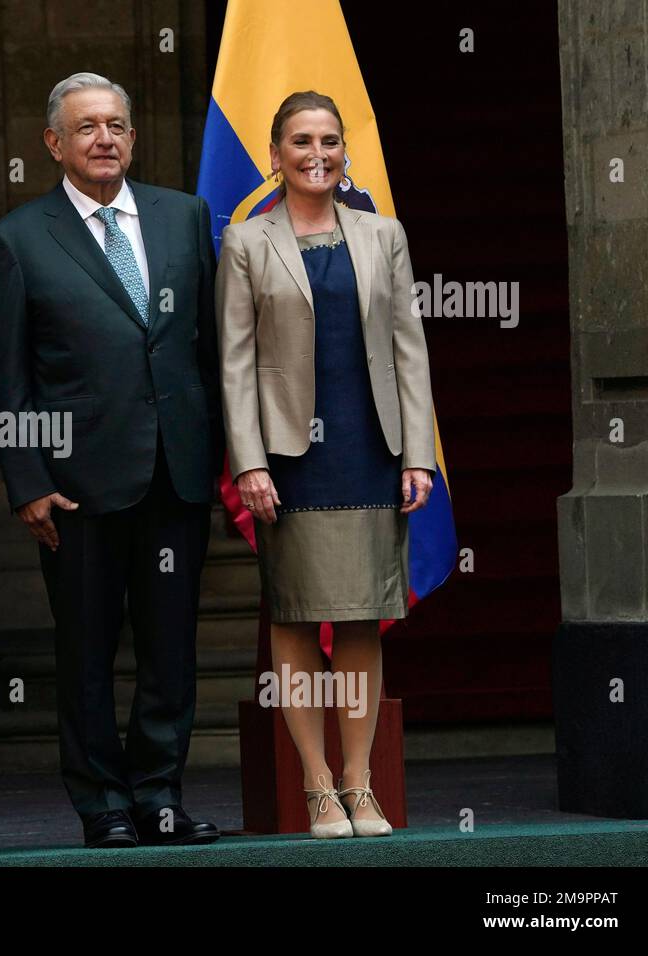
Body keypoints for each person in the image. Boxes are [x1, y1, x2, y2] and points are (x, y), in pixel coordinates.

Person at [0, 73, 224, 849]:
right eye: (86, 128)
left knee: (169, 650)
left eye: (117, 124)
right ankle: (102, 806)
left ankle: (158, 795)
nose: (105, 139)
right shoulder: (19, 238)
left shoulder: (183, 218)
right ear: (54, 143)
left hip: (174, 474)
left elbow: (209, 349)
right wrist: (27, 483)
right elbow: (8, 377)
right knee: (86, 651)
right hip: (77, 487)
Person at [215, 91, 436, 839]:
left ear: (346, 152)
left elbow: (410, 348)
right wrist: (248, 462)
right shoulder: (246, 242)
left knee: (363, 612)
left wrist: (420, 456)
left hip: (368, 450)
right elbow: (234, 362)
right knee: (297, 614)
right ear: (275, 154)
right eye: (302, 141)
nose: (318, 154)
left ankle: (360, 782)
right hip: (288, 458)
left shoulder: (384, 235)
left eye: (331, 141)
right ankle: (315, 784)